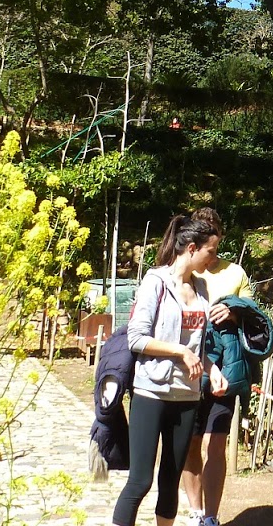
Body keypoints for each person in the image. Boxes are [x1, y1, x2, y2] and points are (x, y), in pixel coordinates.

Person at [111, 215, 229, 526]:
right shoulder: (156, 283)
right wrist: (180, 352)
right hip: (152, 392)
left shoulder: (202, 289)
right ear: (192, 248)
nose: (214, 259)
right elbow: (137, 338)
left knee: (170, 481)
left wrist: (211, 368)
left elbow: (197, 346)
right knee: (140, 482)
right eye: (211, 251)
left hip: (187, 396)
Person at [180, 207, 252, 526]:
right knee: (191, 442)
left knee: (216, 443)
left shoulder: (235, 273)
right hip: (189, 369)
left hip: (226, 369)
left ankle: (211, 516)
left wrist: (235, 313)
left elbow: (255, 316)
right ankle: (196, 513)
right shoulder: (184, 271)